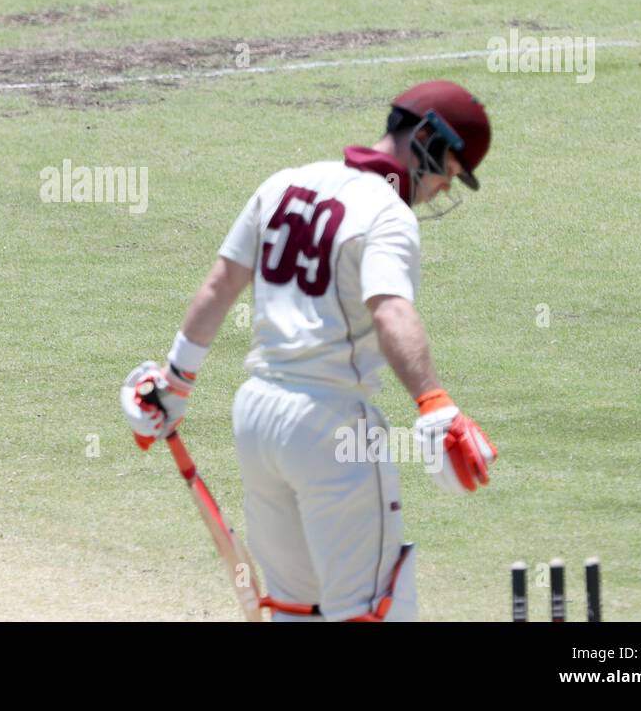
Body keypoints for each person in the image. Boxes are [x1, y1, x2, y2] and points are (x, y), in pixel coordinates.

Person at [121, 79, 497, 619]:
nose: (441, 190)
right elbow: (391, 310)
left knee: (298, 609)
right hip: (332, 427)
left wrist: (176, 380)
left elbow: (220, 285)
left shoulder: (285, 184)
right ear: (427, 140)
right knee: (373, 607)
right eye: (448, 173)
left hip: (257, 420)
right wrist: (434, 404)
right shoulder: (388, 215)